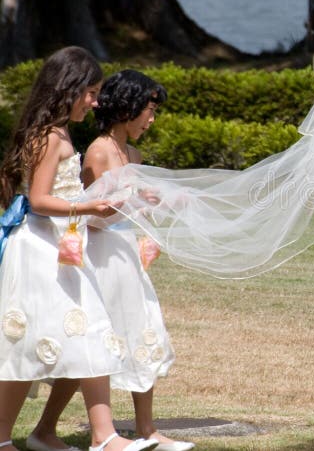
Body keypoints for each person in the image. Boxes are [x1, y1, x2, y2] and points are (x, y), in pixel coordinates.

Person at [0, 47, 159, 451]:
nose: (95, 102)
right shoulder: (49, 136)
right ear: (67, 89)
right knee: (28, 342)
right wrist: (88, 205)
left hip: (60, 246)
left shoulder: (60, 133)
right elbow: (38, 199)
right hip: (39, 248)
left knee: (85, 332)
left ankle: (99, 436)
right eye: (89, 92)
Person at [30, 70, 194, 451]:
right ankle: (50, 428)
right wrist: (135, 202)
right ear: (128, 107)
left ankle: (147, 428)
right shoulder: (101, 150)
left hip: (123, 253)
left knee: (143, 330)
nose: (151, 120)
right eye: (148, 111)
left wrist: (162, 202)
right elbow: (93, 212)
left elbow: (129, 206)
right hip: (101, 254)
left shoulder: (131, 154)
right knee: (92, 345)